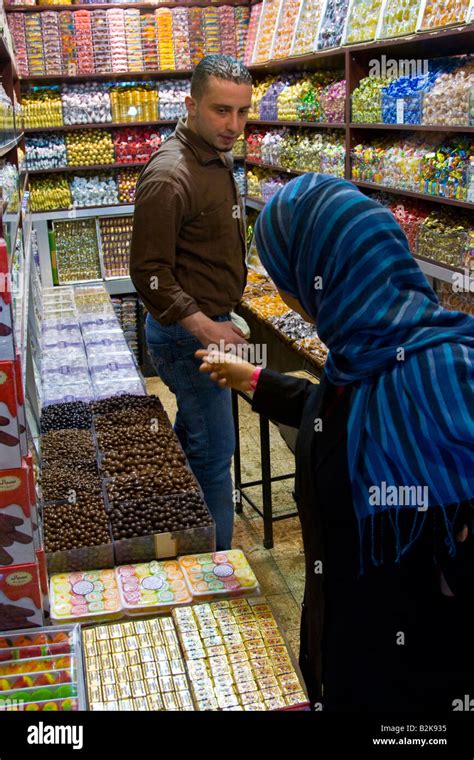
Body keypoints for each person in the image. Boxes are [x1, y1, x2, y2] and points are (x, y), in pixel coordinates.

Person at [196, 172, 474, 713]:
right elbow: (343, 421)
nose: (280, 292)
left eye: (282, 277)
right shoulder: (367, 354)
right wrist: (253, 380)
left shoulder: (448, 379)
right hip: (354, 647)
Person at [130, 55, 252, 551]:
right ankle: (215, 571)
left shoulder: (211, 154)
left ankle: (173, 536)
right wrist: (206, 328)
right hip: (187, 337)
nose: (233, 125)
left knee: (195, 437)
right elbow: (149, 273)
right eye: (221, 111)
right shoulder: (169, 175)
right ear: (191, 105)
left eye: (243, 112)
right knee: (215, 454)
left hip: (205, 324)